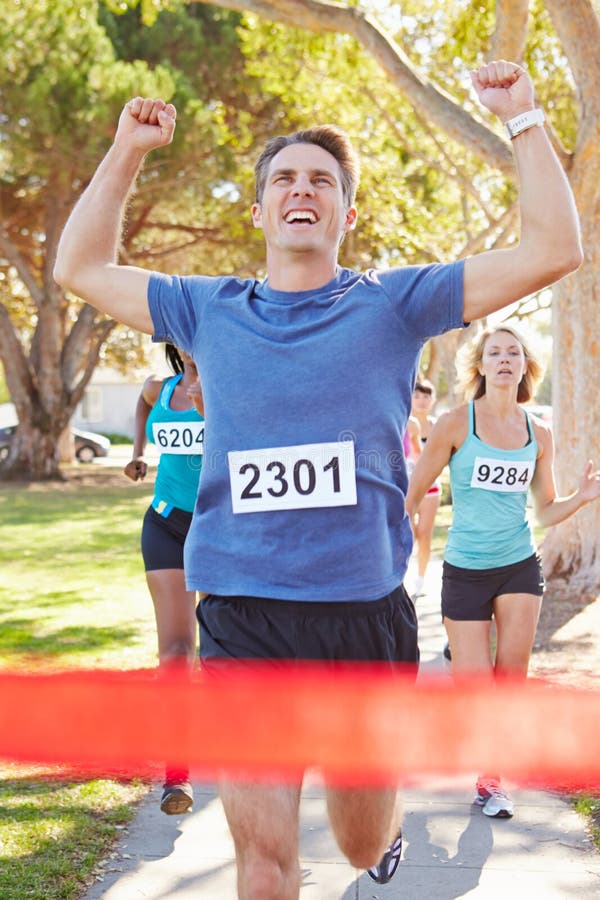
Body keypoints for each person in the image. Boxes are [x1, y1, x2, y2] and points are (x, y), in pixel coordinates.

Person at [53, 59, 582, 897]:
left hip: (362, 620)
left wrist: (522, 118)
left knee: (360, 835)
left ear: (347, 209)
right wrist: (125, 151)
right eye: (286, 179)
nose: (304, 189)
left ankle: (385, 830)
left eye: (323, 180)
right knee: (265, 867)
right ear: (260, 207)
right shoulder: (205, 306)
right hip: (242, 617)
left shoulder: (395, 302)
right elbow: (78, 268)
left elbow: (555, 248)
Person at [406, 324, 600, 818]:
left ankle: (491, 781)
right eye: (495, 352)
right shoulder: (455, 423)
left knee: (510, 680)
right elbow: (413, 494)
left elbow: (545, 510)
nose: (505, 359)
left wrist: (580, 498)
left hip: (518, 564)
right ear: (481, 366)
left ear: (526, 366)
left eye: (514, 352)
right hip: (466, 569)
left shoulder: (539, 432)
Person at [124, 343, 205, 815]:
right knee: (176, 651)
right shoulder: (161, 387)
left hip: (222, 527)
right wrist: (139, 454)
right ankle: (178, 775)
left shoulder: (235, 385)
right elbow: (142, 399)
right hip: (166, 522)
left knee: (224, 651)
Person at [410, 378, 442, 598]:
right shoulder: (405, 423)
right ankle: (401, 578)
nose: (422, 401)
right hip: (408, 488)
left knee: (425, 535)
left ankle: (420, 581)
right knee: (408, 534)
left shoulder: (438, 426)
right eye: (417, 396)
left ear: (432, 400)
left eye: (426, 396)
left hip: (431, 489)